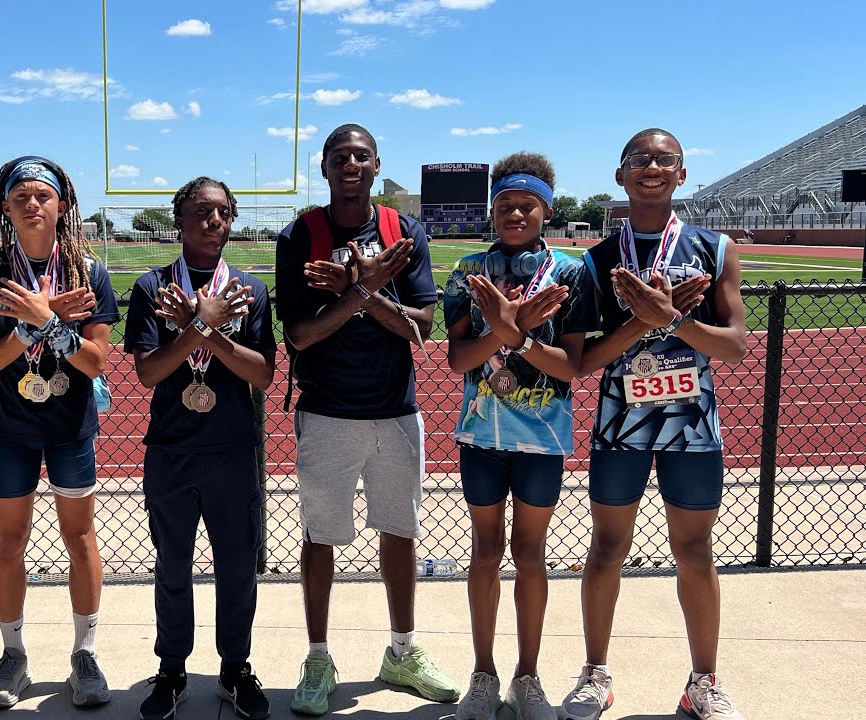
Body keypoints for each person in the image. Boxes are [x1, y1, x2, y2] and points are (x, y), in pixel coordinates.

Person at [560, 128, 748, 720]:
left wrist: (672, 320)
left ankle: (704, 681)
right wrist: (641, 326)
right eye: (640, 159)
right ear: (619, 175)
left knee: (695, 550)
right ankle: (594, 674)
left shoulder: (714, 248)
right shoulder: (596, 260)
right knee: (608, 546)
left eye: (666, 160)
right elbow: (581, 363)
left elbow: (738, 346)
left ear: (682, 175)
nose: (652, 167)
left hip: (691, 424)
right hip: (621, 423)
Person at [274, 124, 459, 716]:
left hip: (394, 408)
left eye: (361, 155)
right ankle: (320, 656)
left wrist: (363, 289)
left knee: (399, 531)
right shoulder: (302, 234)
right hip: (328, 409)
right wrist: (362, 294)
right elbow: (300, 334)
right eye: (339, 157)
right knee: (321, 537)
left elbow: (420, 327)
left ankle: (401, 650)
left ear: (377, 164)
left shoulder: (403, 232)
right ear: (324, 168)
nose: (351, 164)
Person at [0, 156, 120, 710]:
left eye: (43, 195)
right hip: (13, 428)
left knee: (80, 539)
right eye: (21, 195)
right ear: (4, 206)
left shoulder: (89, 273)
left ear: (62, 205)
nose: (33, 203)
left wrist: (50, 324)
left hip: (71, 426)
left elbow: (97, 361)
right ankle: (13, 655)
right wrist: (29, 326)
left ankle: (85, 655)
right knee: (10, 541)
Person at [443, 152, 592, 720]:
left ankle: (527, 676)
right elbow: (458, 359)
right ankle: (483, 674)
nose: (515, 212)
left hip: (542, 436)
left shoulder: (572, 273)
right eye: (504, 203)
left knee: (530, 554)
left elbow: (570, 365)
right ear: (492, 209)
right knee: (485, 553)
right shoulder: (468, 270)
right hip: (481, 434)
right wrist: (508, 327)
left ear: (546, 209)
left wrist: (521, 337)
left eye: (527, 203)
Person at [124, 177, 277, 720]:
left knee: (237, 566)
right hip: (171, 450)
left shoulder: (250, 290)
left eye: (223, 213)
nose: (214, 221)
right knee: (173, 566)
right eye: (201, 212)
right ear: (180, 221)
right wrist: (195, 329)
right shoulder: (152, 287)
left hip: (233, 450)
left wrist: (206, 331)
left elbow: (262, 373)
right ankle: (172, 669)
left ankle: (235, 667)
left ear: (232, 221)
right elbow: (149, 371)